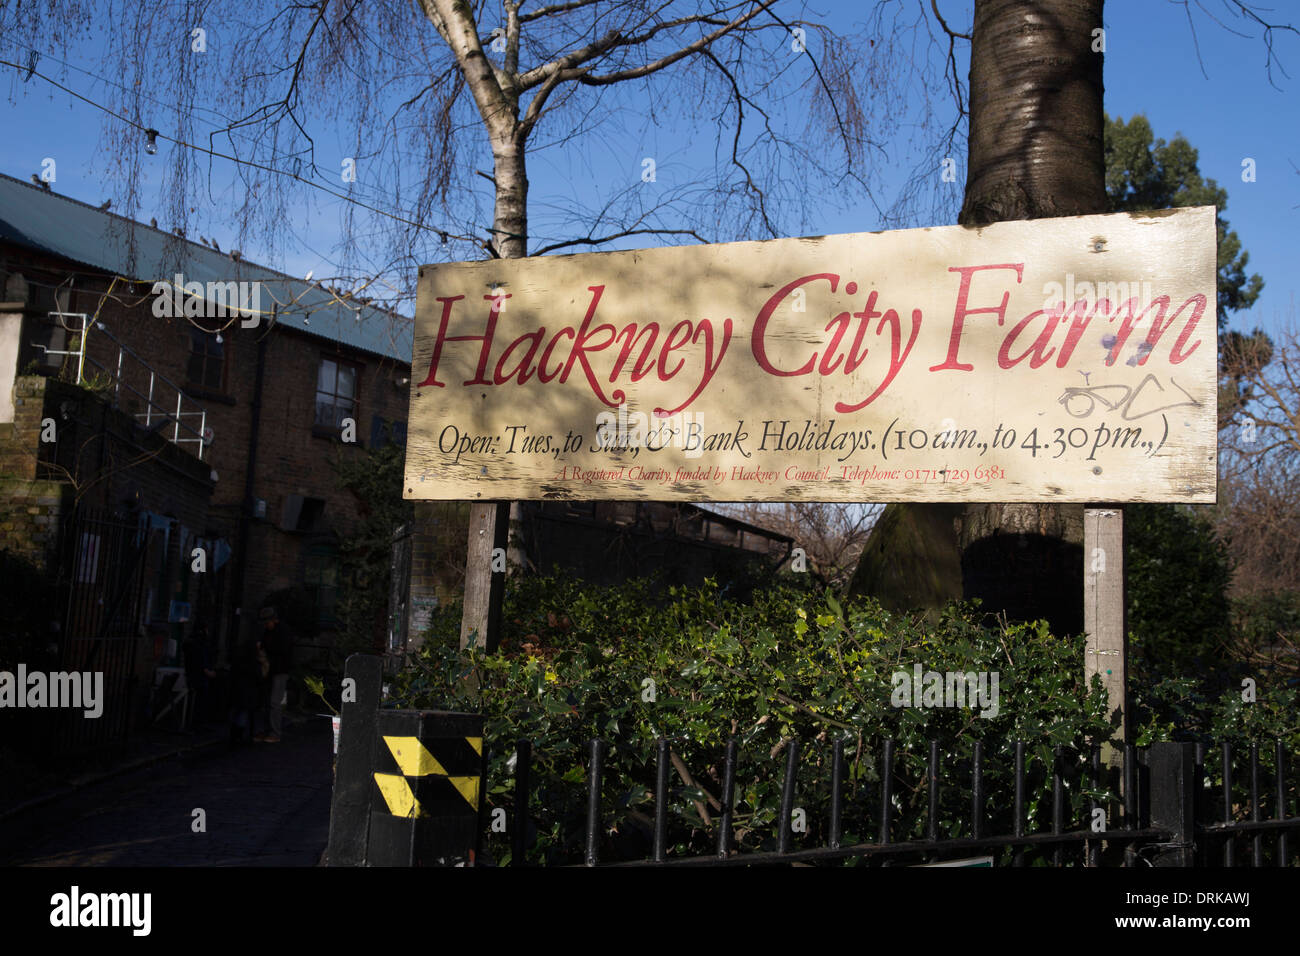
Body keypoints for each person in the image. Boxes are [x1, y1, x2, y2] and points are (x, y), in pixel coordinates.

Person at [255, 606, 293, 743]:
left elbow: (282, 650)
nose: (266, 625)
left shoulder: (283, 632)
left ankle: (275, 732)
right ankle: (267, 730)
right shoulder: (270, 631)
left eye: (267, 622)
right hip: (272, 670)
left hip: (279, 670)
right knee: (267, 701)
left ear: (273, 620)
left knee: (274, 702)